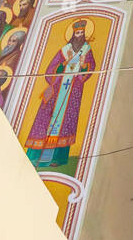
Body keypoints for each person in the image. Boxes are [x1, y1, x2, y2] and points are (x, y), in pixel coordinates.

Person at [25, 18, 96, 170]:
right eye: (77, 32)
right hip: (58, 90)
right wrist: (64, 64)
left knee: (65, 124)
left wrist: (84, 66)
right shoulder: (65, 50)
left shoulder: (87, 51)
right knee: (47, 121)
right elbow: (51, 69)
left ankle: (57, 158)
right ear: (73, 34)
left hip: (73, 91)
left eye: (82, 33)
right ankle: (36, 157)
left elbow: (91, 68)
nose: (79, 35)